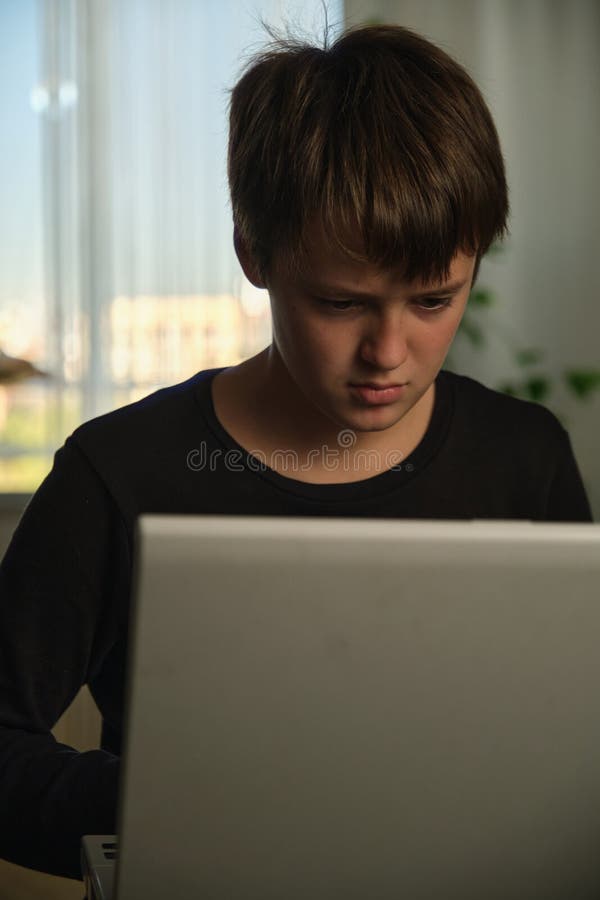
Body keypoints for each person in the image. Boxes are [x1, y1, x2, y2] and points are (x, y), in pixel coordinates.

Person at [0, 22, 592, 882]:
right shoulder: (118, 473)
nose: (389, 352)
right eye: (341, 303)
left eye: (434, 300)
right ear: (253, 251)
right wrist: (172, 806)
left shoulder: (524, 457)